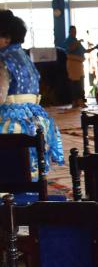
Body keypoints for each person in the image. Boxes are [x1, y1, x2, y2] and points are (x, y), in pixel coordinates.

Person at [0, 10, 64, 169]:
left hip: (11, 121)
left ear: (6, 38)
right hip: (35, 118)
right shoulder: (23, 56)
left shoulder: (2, 59)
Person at [64, 25, 86, 108]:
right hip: (72, 64)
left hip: (79, 64)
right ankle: (75, 101)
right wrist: (78, 42)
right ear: (70, 32)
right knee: (75, 83)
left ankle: (79, 101)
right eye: (73, 31)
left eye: (75, 31)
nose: (74, 33)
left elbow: (85, 51)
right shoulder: (68, 41)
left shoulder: (76, 41)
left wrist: (96, 47)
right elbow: (70, 49)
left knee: (80, 82)